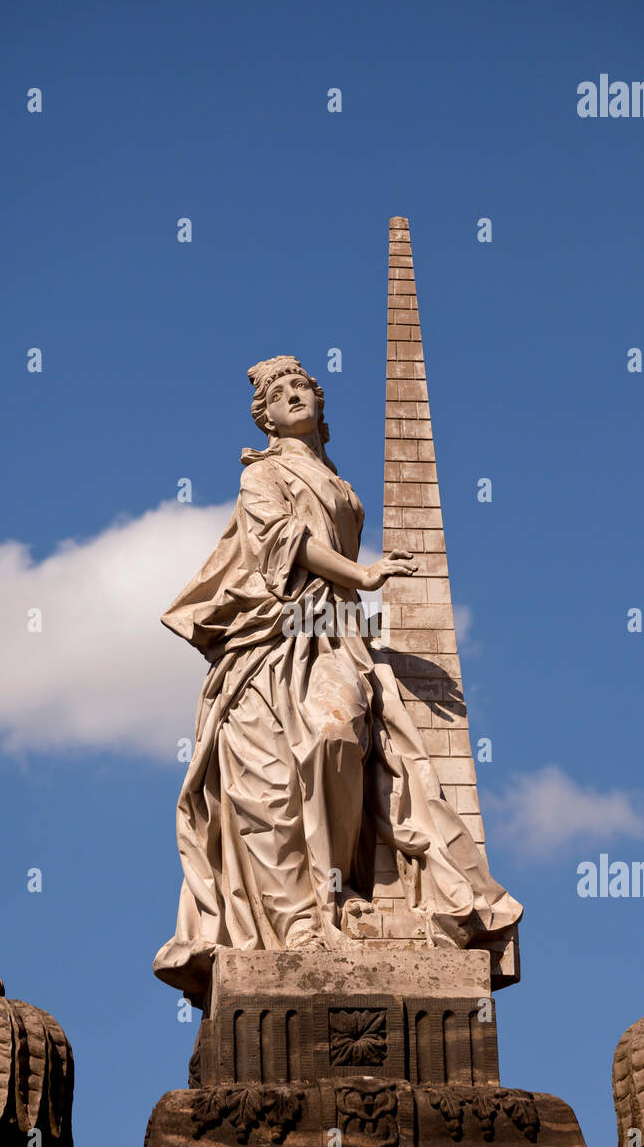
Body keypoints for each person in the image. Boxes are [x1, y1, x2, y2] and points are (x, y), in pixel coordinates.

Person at [153, 356, 521, 1001]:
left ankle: (340, 893)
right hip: (276, 638)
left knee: (337, 737)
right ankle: (303, 920)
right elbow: (284, 543)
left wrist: (356, 590)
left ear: (321, 407)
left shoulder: (337, 481)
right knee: (271, 790)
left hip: (335, 635)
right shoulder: (262, 476)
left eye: (302, 387)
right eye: (278, 394)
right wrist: (365, 575)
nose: (292, 396)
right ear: (263, 417)